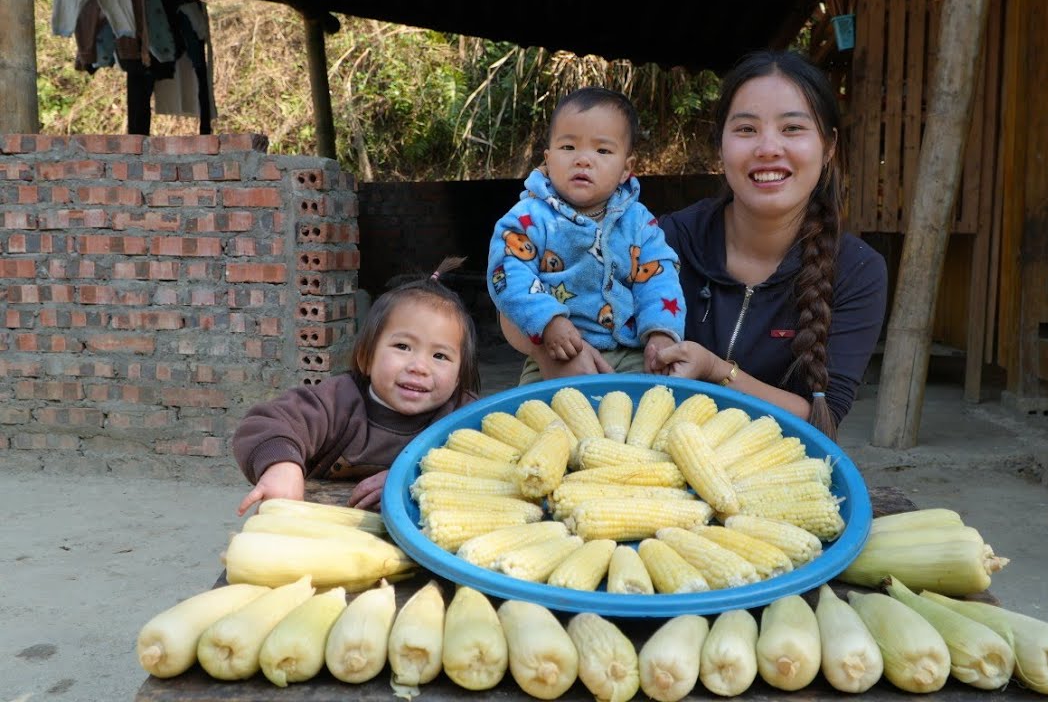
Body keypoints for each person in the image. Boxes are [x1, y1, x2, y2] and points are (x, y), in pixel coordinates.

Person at [511, 51, 888, 439]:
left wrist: (716, 372)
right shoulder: (666, 237)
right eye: (746, 129)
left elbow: (822, 419)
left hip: (771, 467)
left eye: (792, 128)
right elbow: (515, 293)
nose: (768, 148)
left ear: (828, 147)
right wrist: (549, 351)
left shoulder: (857, 270)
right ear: (720, 145)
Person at [233, 258, 480, 514]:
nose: (419, 366)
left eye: (440, 356)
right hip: (320, 534)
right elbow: (265, 423)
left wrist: (413, 479)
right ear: (366, 357)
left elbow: (490, 474)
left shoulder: (464, 418)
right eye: (402, 347)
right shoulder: (337, 401)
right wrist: (281, 465)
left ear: (459, 376)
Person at [487, 86, 687, 385]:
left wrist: (661, 332)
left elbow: (659, 276)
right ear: (548, 157)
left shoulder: (639, 222)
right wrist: (549, 321)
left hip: (630, 352)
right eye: (568, 148)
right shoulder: (529, 217)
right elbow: (508, 273)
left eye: (602, 150)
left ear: (626, 169)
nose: (583, 159)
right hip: (556, 354)